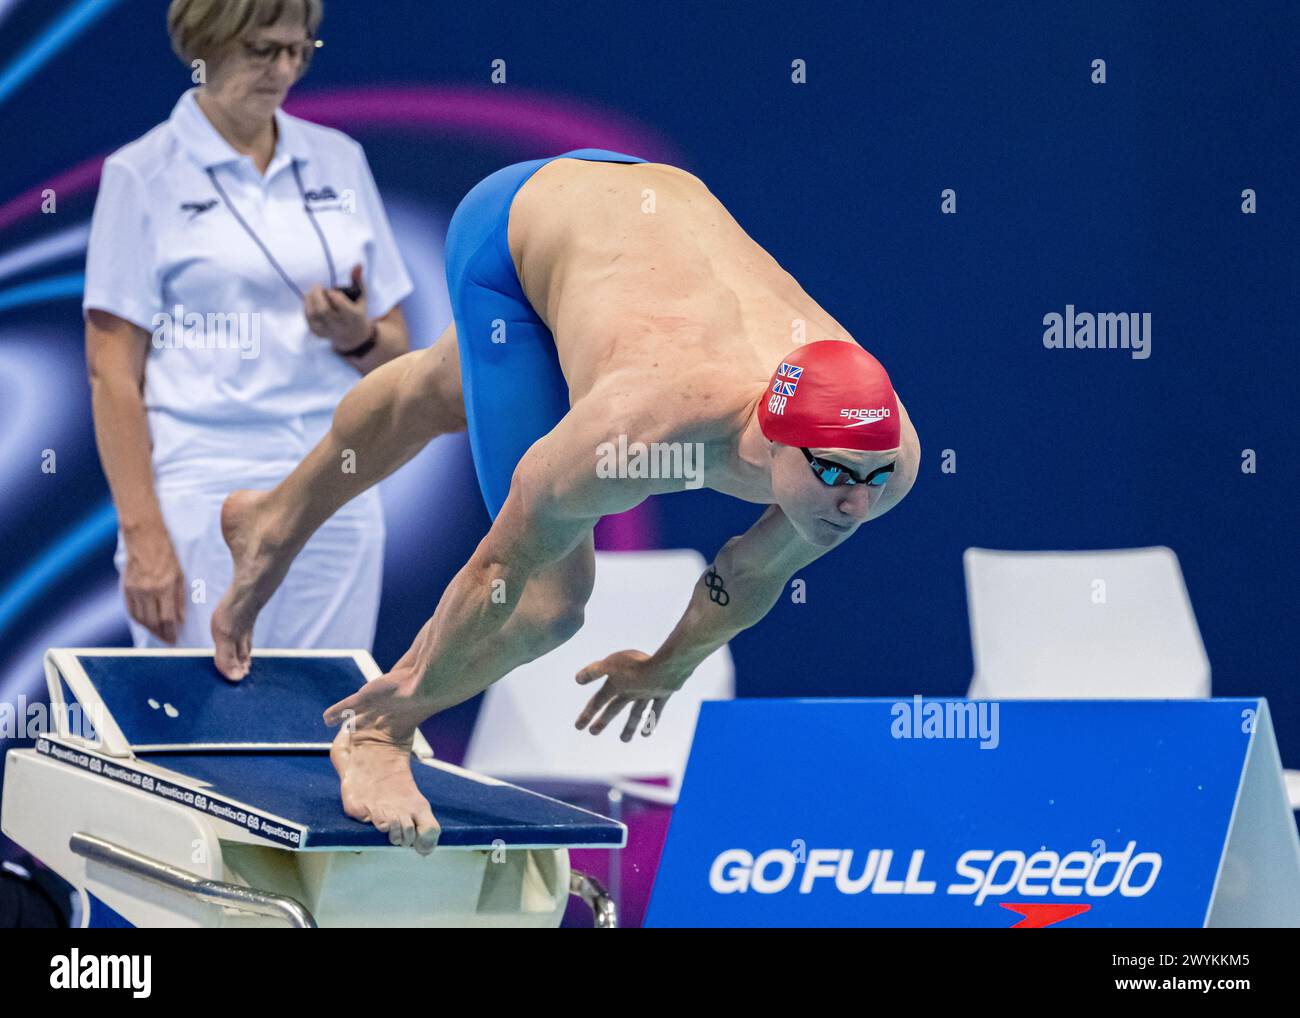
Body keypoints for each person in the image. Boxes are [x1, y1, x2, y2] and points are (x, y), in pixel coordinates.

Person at [211, 150, 921, 853]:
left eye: (873, 477)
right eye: (833, 476)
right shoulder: (638, 429)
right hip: (517, 226)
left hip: (636, 213)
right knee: (548, 604)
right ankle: (375, 738)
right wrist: (410, 692)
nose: (856, 505)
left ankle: (267, 519)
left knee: (440, 389)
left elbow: (757, 570)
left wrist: (668, 665)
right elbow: (500, 576)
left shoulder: (879, 457)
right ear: (772, 438)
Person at [83, 0, 411, 651]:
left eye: (299, 50)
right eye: (263, 49)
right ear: (206, 43)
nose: (284, 69)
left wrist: (357, 337)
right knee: (193, 736)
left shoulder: (339, 160)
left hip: (333, 477)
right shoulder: (143, 174)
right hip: (204, 478)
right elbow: (111, 371)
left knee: (321, 719)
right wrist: (143, 534)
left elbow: (396, 350)